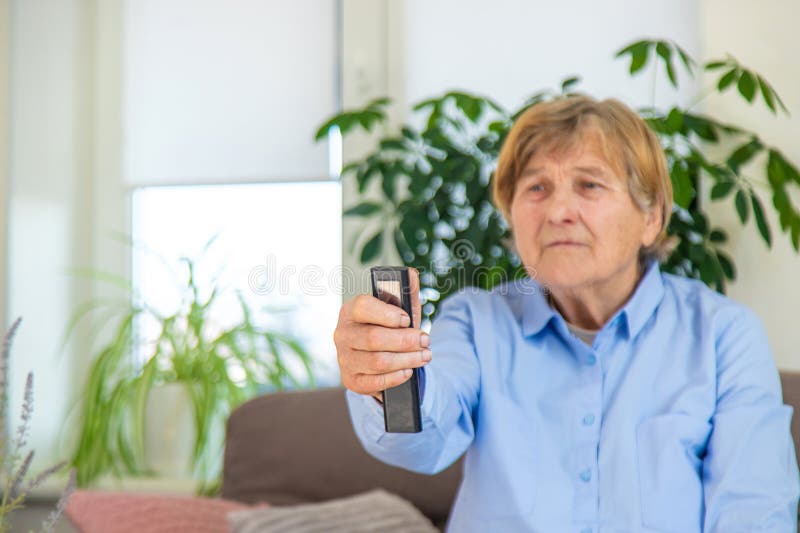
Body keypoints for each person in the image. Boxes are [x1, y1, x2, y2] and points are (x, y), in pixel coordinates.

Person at [334, 95, 799, 532]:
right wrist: (388, 376)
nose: (558, 210)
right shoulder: (475, 322)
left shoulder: (724, 335)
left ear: (652, 216)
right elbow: (423, 440)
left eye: (589, 185)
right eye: (536, 187)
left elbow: (754, 512)